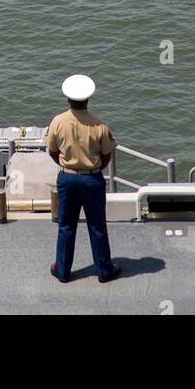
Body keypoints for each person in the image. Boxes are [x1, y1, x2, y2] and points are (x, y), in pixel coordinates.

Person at [47, 73, 120, 284]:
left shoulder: (57, 122)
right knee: (97, 225)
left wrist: (66, 164)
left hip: (67, 179)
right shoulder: (100, 126)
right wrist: (93, 168)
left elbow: (52, 151)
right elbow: (107, 156)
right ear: (88, 99)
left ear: (68, 99)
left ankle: (62, 270)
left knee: (66, 225)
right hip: (92, 180)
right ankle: (104, 269)